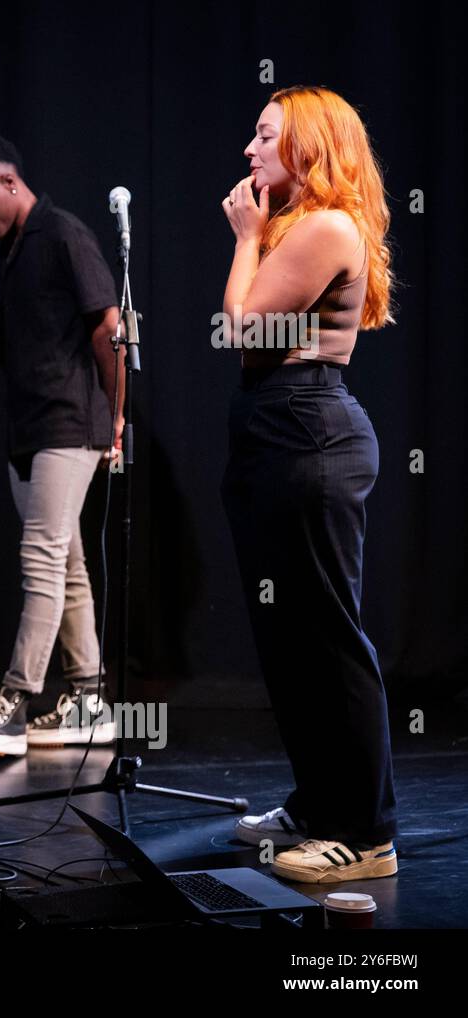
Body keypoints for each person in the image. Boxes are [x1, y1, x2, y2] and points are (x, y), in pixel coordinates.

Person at [219, 87, 398, 882]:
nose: (250, 151)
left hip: (309, 432)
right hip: (276, 430)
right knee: (287, 642)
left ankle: (365, 835)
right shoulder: (302, 227)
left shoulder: (324, 226)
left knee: (327, 638)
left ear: (310, 147)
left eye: (266, 137)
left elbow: (242, 328)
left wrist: (245, 240)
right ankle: (317, 802)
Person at [0, 131, 124, 756]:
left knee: (42, 558)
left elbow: (108, 327)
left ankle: (16, 703)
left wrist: (119, 416)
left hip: (69, 425)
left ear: (8, 182)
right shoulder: (16, 249)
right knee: (67, 564)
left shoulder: (63, 234)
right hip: (29, 430)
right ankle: (88, 700)